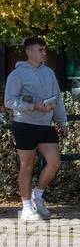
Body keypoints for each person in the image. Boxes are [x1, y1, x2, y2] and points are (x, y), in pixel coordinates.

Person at [4, 37, 66, 221]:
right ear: (29, 52)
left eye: (44, 50)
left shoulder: (49, 73)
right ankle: (26, 208)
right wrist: (34, 105)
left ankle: (37, 196)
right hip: (24, 124)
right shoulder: (17, 74)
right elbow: (9, 100)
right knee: (27, 165)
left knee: (54, 162)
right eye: (40, 50)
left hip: (45, 125)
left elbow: (58, 98)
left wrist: (62, 122)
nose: (44, 53)